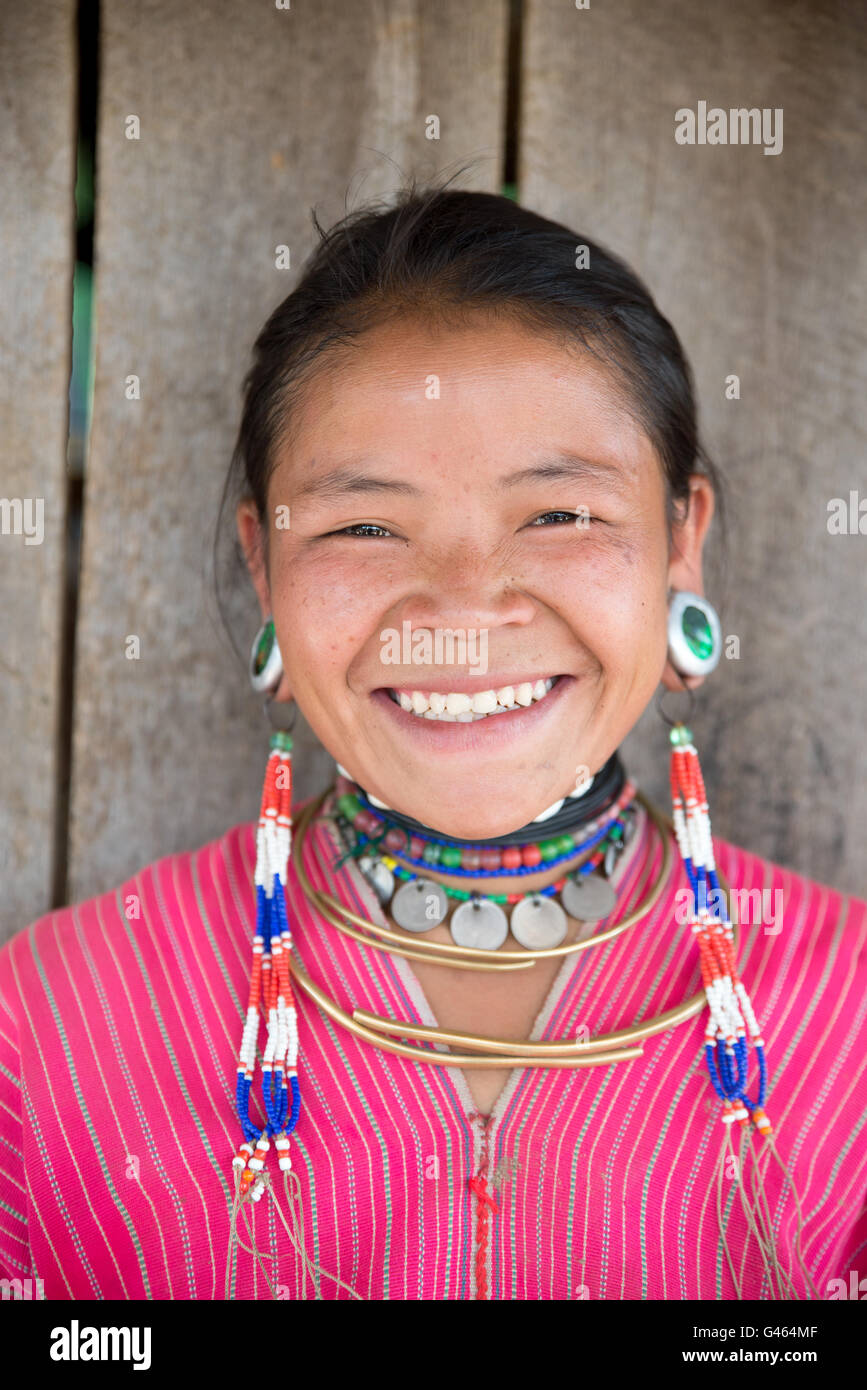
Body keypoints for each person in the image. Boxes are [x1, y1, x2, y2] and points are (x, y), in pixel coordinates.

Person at [1, 183, 864, 1301]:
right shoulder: (49, 1035)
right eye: (364, 525)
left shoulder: (849, 1017)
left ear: (679, 541)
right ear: (264, 564)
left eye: (559, 515)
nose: (463, 607)